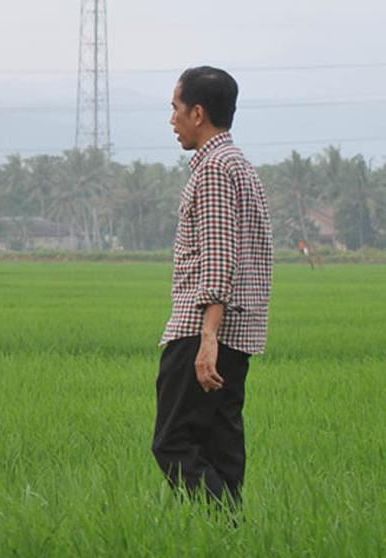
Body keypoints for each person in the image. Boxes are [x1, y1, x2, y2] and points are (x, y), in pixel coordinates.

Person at [152, 66, 274, 509]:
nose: (172, 119)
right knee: (221, 449)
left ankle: (223, 525)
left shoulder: (216, 170)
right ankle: (230, 546)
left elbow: (221, 259)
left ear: (198, 112)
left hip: (202, 331)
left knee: (173, 444)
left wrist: (207, 339)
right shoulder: (240, 166)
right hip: (236, 336)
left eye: (175, 108)